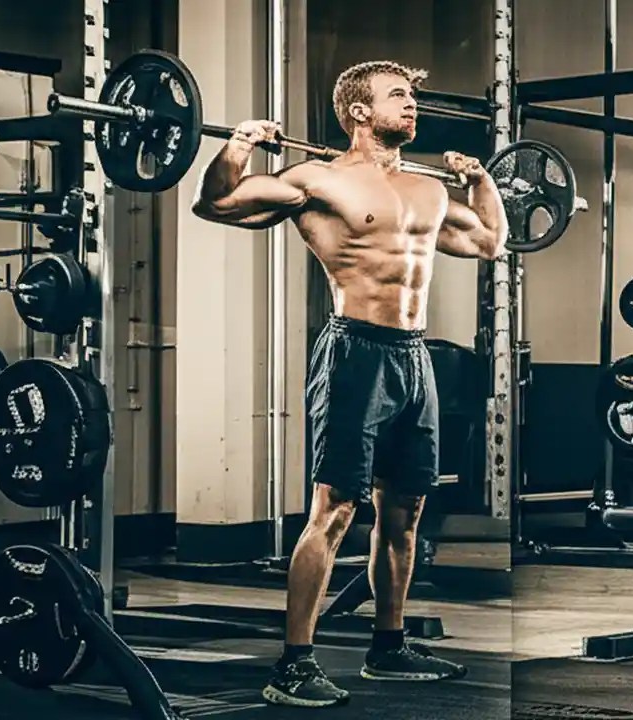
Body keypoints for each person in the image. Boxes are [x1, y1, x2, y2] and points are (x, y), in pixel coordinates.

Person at [191, 60, 508, 708]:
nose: (412, 106)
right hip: (355, 352)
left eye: (413, 97)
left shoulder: (425, 191)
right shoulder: (318, 180)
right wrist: (240, 146)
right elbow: (217, 202)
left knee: (406, 511)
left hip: (413, 357)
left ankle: (387, 647)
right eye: (399, 97)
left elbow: (490, 242)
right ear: (359, 112)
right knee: (334, 510)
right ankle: (294, 663)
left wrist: (480, 183)